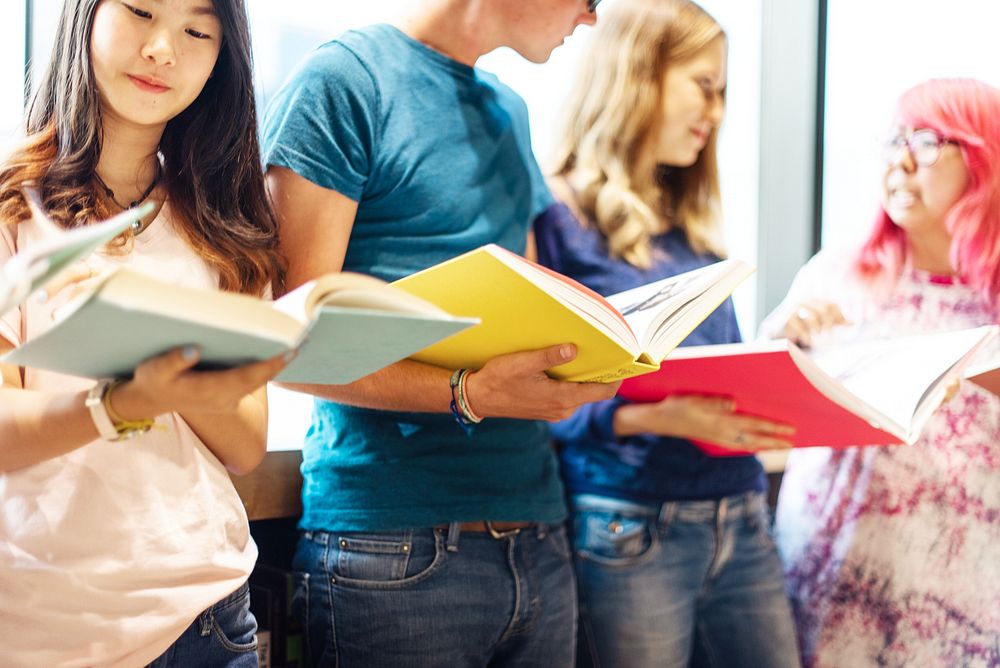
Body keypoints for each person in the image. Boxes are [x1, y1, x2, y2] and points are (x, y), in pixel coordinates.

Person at [260, 1, 616, 666]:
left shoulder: (510, 112)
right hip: (391, 544)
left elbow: (529, 309)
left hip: (538, 532)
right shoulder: (346, 81)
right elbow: (285, 344)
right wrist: (466, 393)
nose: (591, 19)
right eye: (591, 0)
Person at [0, 0, 289, 665]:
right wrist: (121, 404)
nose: (163, 49)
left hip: (209, 618)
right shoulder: (13, 201)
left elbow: (247, 443)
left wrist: (157, 343)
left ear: (221, 58)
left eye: (196, 30)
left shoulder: (225, 222)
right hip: (50, 623)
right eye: (139, 11)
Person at [533, 1, 800, 666]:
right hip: (629, 522)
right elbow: (535, 397)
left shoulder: (691, 228)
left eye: (723, 92)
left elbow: (714, 371)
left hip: (740, 511)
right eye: (704, 86)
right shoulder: (556, 217)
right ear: (639, 76)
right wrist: (658, 417)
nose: (716, 111)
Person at [761, 78, 1000, 667]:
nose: (901, 160)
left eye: (926, 141)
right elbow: (764, 410)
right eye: (894, 140)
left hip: (957, 582)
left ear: (983, 158)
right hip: (831, 563)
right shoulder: (839, 272)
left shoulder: (992, 299)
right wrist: (778, 340)